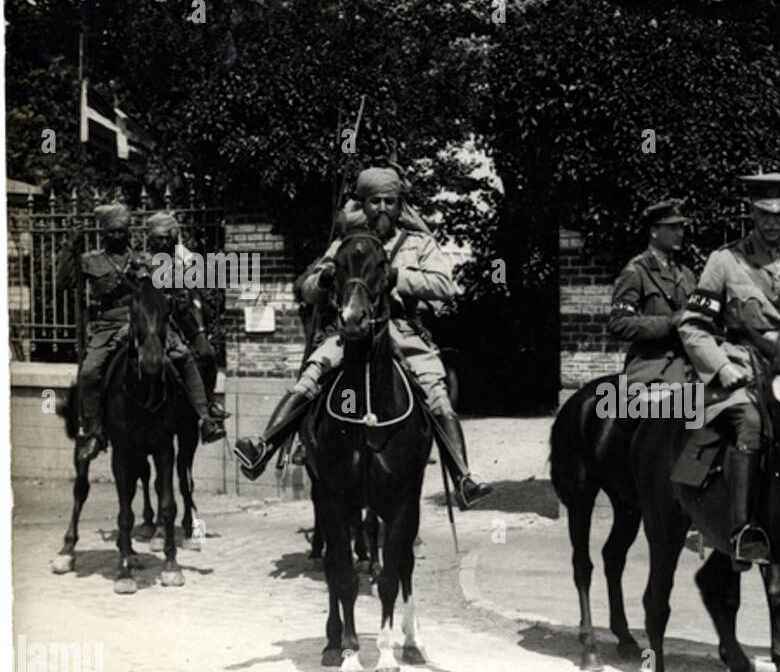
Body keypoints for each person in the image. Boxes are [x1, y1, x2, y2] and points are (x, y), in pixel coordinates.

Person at [232, 167, 492, 508]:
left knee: (436, 390)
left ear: (400, 207)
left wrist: (397, 275)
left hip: (402, 331)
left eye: (390, 201)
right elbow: (308, 290)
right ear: (364, 205)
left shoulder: (419, 243)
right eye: (375, 202)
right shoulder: (346, 244)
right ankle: (264, 446)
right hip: (351, 332)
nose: (382, 208)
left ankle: (463, 476)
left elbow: (445, 286)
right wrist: (324, 279)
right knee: (312, 373)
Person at [677, 172, 780, 569]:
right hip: (746, 368)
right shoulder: (725, 261)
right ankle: (743, 531)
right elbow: (693, 325)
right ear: (751, 212)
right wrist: (720, 366)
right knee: (750, 423)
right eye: (763, 214)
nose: (771, 221)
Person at [57, 203, 226, 465]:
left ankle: (205, 418)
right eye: (111, 231)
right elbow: (64, 282)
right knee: (89, 371)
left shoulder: (146, 260)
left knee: (183, 356)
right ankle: (94, 433)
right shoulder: (91, 261)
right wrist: (70, 245)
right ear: (103, 233)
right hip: (110, 325)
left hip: (145, 322)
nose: (116, 236)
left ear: (128, 233)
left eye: (121, 231)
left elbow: (177, 283)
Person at [608, 198, 697, 385]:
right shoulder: (636, 271)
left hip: (688, 362)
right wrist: (670, 322)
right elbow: (619, 323)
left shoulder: (686, 274)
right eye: (672, 228)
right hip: (651, 364)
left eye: (681, 228)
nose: (680, 233)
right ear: (654, 231)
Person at [145, 211, 225, 411]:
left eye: (167, 238)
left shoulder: (185, 260)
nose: (163, 243)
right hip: (152, 320)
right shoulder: (142, 262)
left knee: (207, 354)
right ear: (151, 239)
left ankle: (208, 404)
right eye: (158, 238)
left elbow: (198, 294)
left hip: (182, 318)